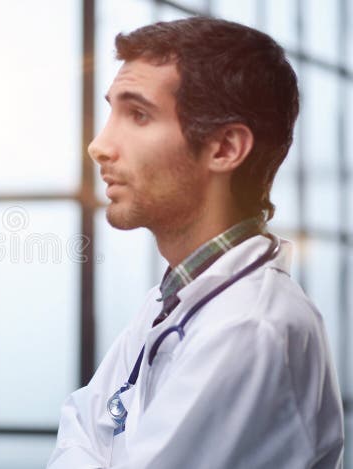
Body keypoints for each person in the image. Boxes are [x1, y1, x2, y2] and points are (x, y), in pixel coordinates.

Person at [48, 16, 344, 468]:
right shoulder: (170, 301)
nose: (99, 145)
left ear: (224, 148)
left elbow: (89, 441)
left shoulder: (251, 327)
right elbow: (78, 425)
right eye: (112, 112)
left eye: (138, 115)